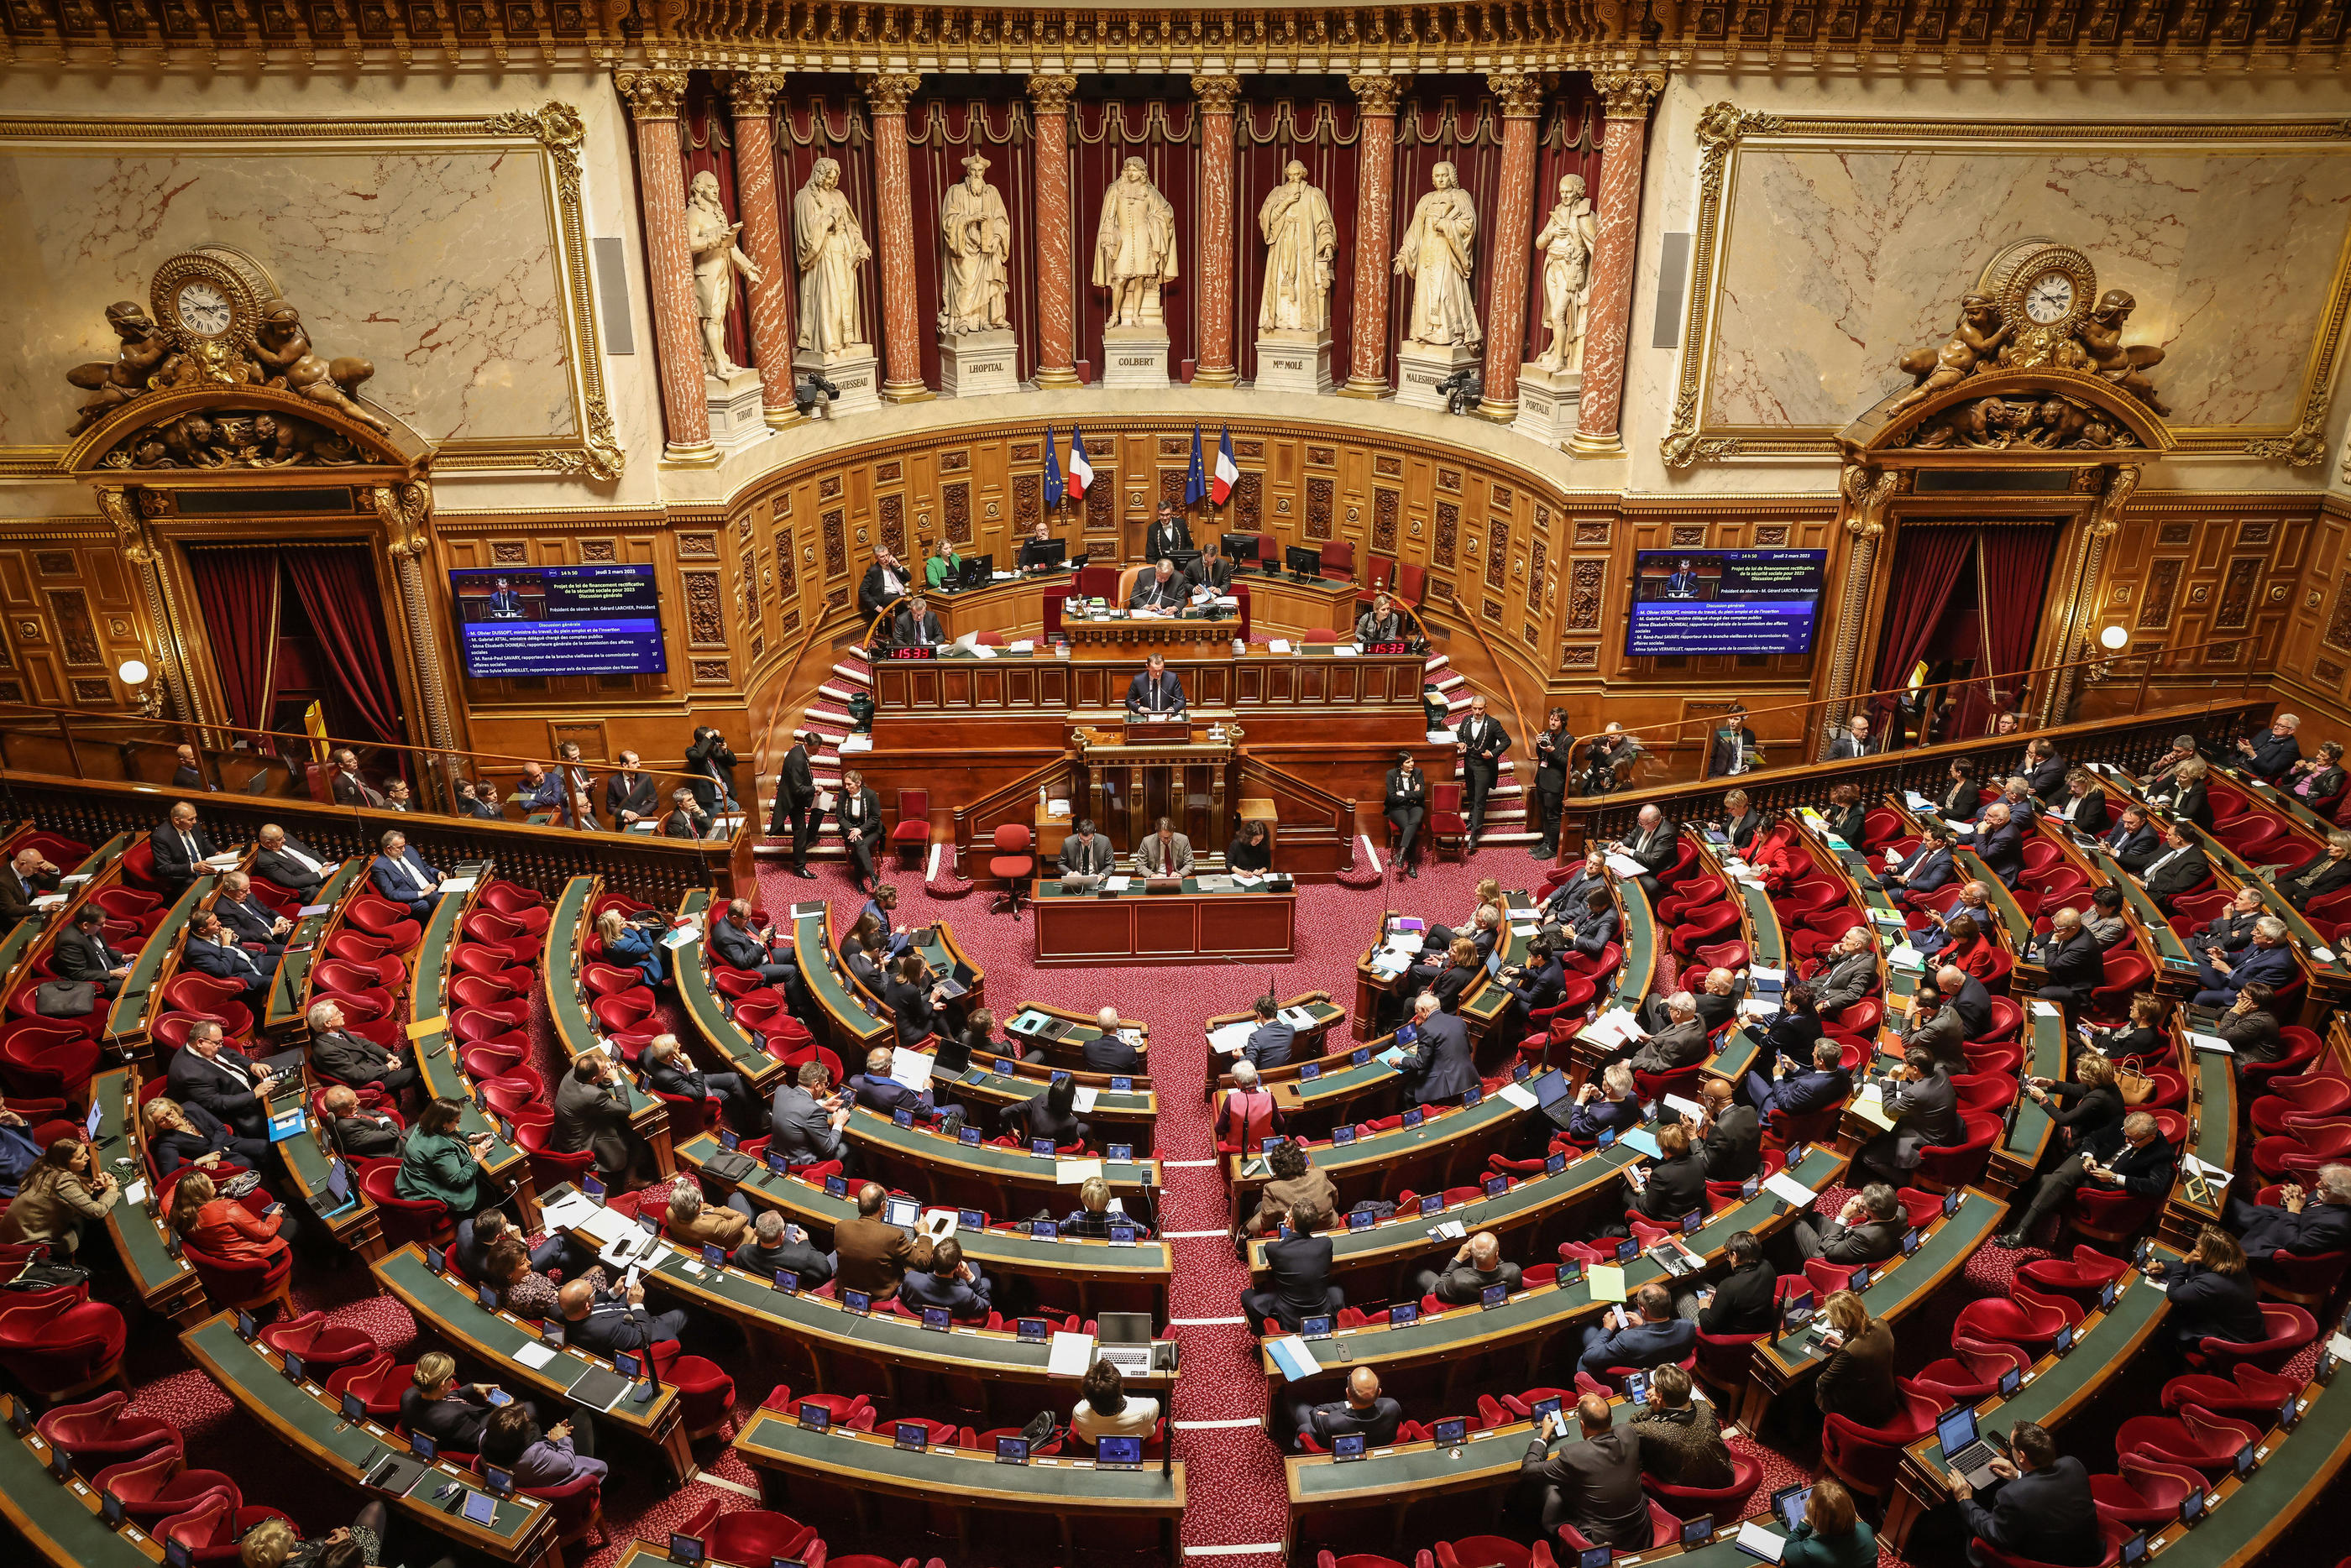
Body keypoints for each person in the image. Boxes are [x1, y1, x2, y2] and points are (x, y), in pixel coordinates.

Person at [1997, 1109, 2175, 1250]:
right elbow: (2093, 1139)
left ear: (2150, 1137)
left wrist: (2114, 1177)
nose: (2127, 1140)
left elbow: (2155, 1186)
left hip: (2107, 1186)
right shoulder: (2123, 1124)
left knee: (2046, 1182)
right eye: (2125, 1135)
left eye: (2132, 1139)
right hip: (2091, 1162)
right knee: (2058, 1179)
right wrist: (2089, 1157)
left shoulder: (2162, 1154)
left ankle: (2022, 1228)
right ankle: (2023, 1230)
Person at [1949, 1419, 2104, 1568]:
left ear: (2022, 1456)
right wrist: (2017, 1475)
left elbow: (1996, 1535)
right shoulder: (2073, 1464)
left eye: (2011, 1446)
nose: (2011, 1449)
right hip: (2090, 1552)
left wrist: (1965, 1501)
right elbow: (2045, 1490)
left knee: (1969, 1525)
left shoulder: (2012, 1495)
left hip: (2052, 1561)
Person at [1516, 1393, 1649, 1548]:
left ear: (1582, 1425)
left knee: (1550, 1489)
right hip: (1641, 1532)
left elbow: (1528, 1470)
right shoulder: (1628, 1434)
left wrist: (1544, 1436)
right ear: (1611, 1418)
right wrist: (1597, 1403)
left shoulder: (1574, 1455)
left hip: (1605, 1541)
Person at [1855, 1047, 1963, 1186]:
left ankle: (1906, 1182)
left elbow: (1889, 1109)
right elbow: (1919, 1086)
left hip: (1924, 1142)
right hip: (1941, 1128)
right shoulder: (1939, 1071)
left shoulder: (1916, 1094)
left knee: (1869, 1158)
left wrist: (1892, 1079)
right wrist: (1892, 1084)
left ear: (1916, 1069)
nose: (1903, 1067)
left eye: (1906, 1063)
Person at [167, 1020, 291, 1137]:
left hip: (251, 1086)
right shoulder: (188, 1075)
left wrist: (252, 1065)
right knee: (283, 1124)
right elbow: (218, 1103)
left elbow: (229, 1053)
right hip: (237, 1113)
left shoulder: (204, 1046)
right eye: (218, 1043)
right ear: (200, 1042)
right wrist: (255, 1094)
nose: (221, 1046)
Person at [1242, 1200, 1343, 1334]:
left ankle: (1264, 1334)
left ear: (1291, 1221)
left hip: (1289, 1318)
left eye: (1289, 1212)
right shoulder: (1325, 1244)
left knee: (1247, 1295)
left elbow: (1281, 1251)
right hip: (1321, 1311)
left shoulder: (1274, 1249)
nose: (1286, 1213)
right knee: (1337, 1290)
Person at [0, 1138, 118, 1253]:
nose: (87, 1157)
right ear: (65, 1162)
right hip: (33, 1243)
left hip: (11, 1234)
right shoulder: (62, 1181)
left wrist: (93, 1189)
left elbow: (63, 1196)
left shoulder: (44, 1166)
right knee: (98, 1226)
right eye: (80, 1157)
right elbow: (96, 1212)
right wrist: (112, 1189)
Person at [1630, 1363, 1734, 1487]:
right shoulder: (1704, 1407)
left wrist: (1654, 1409)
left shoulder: (1653, 1430)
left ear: (1661, 1396)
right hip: (1724, 1477)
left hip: (1685, 1488)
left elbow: (1631, 1424)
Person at [396, 1096, 503, 1213]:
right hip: (426, 1190)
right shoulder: (439, 1148)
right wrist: (476, 1159)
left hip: (412, 1180)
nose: (458, 1124)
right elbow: (458, 1179)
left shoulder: (425, 1124)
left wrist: (471, 1138)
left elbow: (447, 1134)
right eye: (457, 1121)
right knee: (492, 1193)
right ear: (443, 1123)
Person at [2227, 1163, 2351, 1259]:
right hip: (2271, 1218)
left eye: (2324, 1186)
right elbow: (2291, 1207)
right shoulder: (2327, 1194)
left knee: (2215, 1253)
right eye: (2320, 1180)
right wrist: (2289, 1199)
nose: (2317, 1185)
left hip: (2271, 1242)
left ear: (2343, 1195)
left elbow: (2295, 1245)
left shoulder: (2338, 1225)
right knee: (2225, 1201)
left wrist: (2294, 1210)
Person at [170, 1168, 296, 1262]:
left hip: (226, 1254)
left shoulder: (179, 1213)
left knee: (281, 1213)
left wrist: (178, 1186)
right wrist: (274, 1216)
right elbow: (264, 1233)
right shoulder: (225, 1207)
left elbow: (167, 1200)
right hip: (253, 1256)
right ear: (202, 1192)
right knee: (291, 1221)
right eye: (209, 1182)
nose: (213, 1182)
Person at [1813, 1290, 1899, 1427]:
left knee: (1813, 1389)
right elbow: (1867, 1350)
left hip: (1865, 1414)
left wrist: (1845, 1348)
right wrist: (1845, 1344)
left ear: (1841, 1321)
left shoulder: (1848, 1353)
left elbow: (1822, 1383)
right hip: (1887, 1398)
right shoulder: (1881, 1324)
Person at [554, 1053, 642, 1186]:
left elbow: (592, 1083)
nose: (607, 1070)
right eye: (603, 1070)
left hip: (564, 1135)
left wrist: (603, 1076)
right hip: (580, 1145)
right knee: (635, 1137)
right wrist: (615, 1078)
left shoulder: (573, 1073)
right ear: (594, 1078)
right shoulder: (592, 1096)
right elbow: (625, 1108)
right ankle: (630, 1180)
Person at [1575, 1282, 1694, 1380]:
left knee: (1585, 1324)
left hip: (1629, 1368)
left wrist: (1608, 1328)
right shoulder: (1688, 1327)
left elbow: (1588, 1357)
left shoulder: (1627, 1339)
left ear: (1643, 1309)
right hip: (1663, 1364)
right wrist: (1644, 1325)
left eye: (1637, 1301)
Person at [398, 1354, 513, 1454]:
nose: (454, 1378)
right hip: (481, 1432)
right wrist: (503, 1414)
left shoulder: (408, 1395)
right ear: (442, 1384)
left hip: (455, 1423)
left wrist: (472, 1387)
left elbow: (445, 1398)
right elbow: (485, 1440)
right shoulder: (452, 1418)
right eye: (452, 1376)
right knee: (528, 1407)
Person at [558, 1273, 688, 1361]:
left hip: (616, 1311)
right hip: (643, 1328)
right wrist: (636, 1305)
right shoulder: (605, 1330)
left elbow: (592, 1302)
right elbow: (643, 1337)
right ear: (587, 1305)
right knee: (682, 1313)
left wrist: (613, 1292)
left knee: (642, 1284)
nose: (595, 1294)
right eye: (593, 1293)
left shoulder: (563, 1308)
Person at [309, 999, 417, 1102]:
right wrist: (387, 1068)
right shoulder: (326, 1051)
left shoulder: (336, 1030)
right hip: (373, 1079)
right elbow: (358, 1075)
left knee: (414, 1051)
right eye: (337, 1013)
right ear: (327, 1024)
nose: (342, 1014)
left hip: (376, 1063)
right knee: (418, 1071)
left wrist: (388, 1055)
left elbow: (362, 1043)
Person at [644, 1034, 757, 1132]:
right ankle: (747, 1125)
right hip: (696, 1091)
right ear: (669, 1057)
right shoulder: (671, 1079)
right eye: (676, 1046)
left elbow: (641, 1058)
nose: (679, 1044)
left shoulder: (648, 1052)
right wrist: (690, 1066)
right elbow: (700, 1094)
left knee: (733, 1077)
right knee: (728, 1094)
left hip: (692, 1079)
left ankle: (757, 1114)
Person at [481, 1403, 605, 1489]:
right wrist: (561, 1439)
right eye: (526, 1421)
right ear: (523, 1434)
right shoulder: (533, 1454)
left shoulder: (484, 1436)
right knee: (600, 1466)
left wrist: (550, 1438)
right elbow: (568, 1464)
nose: (528, 1418)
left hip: (517, 1477)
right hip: (541, 1483)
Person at [143, 1094, 270, 1176]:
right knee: (246, 1163)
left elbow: (220, 1128)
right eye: (162, 1120)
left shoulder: (190, 1107)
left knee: (265, 1146)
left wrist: (216, 1151)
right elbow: (171, 1175)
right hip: (211, 1162)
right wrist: (198, 1162)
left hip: (225, 1143)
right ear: (157, 1126)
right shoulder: (165, 1143)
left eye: (169, 1113)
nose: (169, 1119)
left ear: (173, 1108)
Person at [2024, 1051, 2123, 1152]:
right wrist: (2048, 1082)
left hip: (2088, 1137)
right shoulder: (2103, 1081)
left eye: (2080, 1071)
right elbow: (2075, 1089)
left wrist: (2042, 1099)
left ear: (2090, 1078)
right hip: (2091, 1124)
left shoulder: (2097, 1099)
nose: (2077, 1072)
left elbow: (2063, 1120)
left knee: (2042, 1128)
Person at [2191, 915, 2296, 1009]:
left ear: (2270, 940)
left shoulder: (2281, 964)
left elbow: (2255, 990)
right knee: (2191, 968)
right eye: (2255, 928)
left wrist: (2227, 971)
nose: (2252, 932)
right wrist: (2223, 955)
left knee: (2202, 997)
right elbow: (2243, 957)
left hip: (2242, 994)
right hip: (2229, 979)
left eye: (2258, 932)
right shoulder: (2261, 942)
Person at [833, 1182, 914, 1300]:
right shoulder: (893, 1235)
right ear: (882, 1206)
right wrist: (924, 1234)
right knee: (912, 1269)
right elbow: (923, 1261)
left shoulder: (841, 1227)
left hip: (846, 1295)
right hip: (879, 1299)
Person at [769, 1060, 854, 1173]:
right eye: (825, 1084)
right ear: (817, 1085)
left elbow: (798, 1106)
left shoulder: (781, 1090)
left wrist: (822, 1104)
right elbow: (829, 1149)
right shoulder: (815, 1112)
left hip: (778, 1152)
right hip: (798, 1163)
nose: (826, 1087)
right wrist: (838, 1124)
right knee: (847, 1148)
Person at [1293, 1366, 1401, 1451]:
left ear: (1348, 1393)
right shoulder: (1393, 1407)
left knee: (1296, 1405)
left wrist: (1332, 1413)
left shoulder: (1333, 1422)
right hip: (1375, 1441)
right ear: (1379, 1393)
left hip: (1335, 1446)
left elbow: (1315, 1412)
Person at [1748, 1037, 1854, 1124]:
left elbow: (1784, 1104)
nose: (1812, 1054)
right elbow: (1817, 1078)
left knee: (1751, 1074)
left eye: (1815, 1053)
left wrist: (1778, 1077)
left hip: (1778, 1106)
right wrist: (1795, 1068)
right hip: (1803, 1099)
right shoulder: (1843, 1071)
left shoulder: (1808, 1087)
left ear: (1821, 1062)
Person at [1793, 1182, 1905, 1265]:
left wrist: (1844, 1217)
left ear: (1870, 1211)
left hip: (1826, 1255)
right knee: (1816, 1217)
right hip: (1849, 1238)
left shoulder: (1865, 1237)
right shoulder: (1900, 1211)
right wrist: (1865, 1202)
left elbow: (1830, 1252)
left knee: (1796, 1221)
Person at [182, 909, 279, 1004]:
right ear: (202, 930)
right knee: (273, 981)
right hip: (241, 975)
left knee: (283, 961)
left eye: (217, 920)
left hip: (253, 961)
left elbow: (238, 945)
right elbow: (223, 971)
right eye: (214, 923)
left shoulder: (210, 931)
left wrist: (233, 939)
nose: (219, 923)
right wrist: (226, 945)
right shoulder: (196, 951)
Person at [1396, 992, 1477, 1104]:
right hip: (1467, 1077)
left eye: (1417, 1013)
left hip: (1445, 1085)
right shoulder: (1459, 1021)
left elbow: (1420, 1063)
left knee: (1408, 1093)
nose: (1417, 1016)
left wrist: (1401, 1060)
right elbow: (1470, 1049)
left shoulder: (1426, 1030)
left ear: (1424, 1010)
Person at [708, 898, 799, 995]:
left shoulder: (742, 919)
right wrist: (760, 943)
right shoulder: (725, 936)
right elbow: (743, 962)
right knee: (792, 971)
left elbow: (754, 937)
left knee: (795, 952)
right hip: (755, 968)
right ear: (734, 918)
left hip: (763, 954)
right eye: (747, 918)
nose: (750, 920)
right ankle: (798, 1007)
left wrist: (768, 937)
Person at [1779, 1477, 1875, 1568]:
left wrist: (1805, 1523)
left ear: (1818, 1520)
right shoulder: (1866, 1530)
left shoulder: (1811, 1550)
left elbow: (1787, 1551)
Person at [1694, 1231, 1778, 1335]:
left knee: (1681, 1295)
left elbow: (1708, 1327)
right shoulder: (1767, 1268)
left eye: (1728, 1255)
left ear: (1734, 1256)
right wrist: (1722, 1298)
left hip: (1730, 1336)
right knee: (1698, 1283)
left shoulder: (1728, 1286)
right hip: (1763, 1327)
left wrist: (1704, 1307)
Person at [1245, 1137, 1334, 1236]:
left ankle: (1243, 1239)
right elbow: (1335, 1199)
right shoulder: (1319, 1174)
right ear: (1302, 1160)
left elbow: (1267, 1225)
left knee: (1259, 1208)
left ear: (1275, 1168)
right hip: (1327, 1225)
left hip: (1293, 1232)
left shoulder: (1272, 1189)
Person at [1454, 694, 1511, 845]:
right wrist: (1461, 742)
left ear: (1485, 708)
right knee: (1472, 794)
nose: (1477, 712)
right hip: (1469, 763)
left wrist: (1492, 753)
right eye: (1475, 708)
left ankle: (1475, 833)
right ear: (1471, 707)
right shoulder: (1467, 720)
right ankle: (1472, 820)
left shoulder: (1493, 723)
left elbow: (1507, 741)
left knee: (1480, 799)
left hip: (1484, 766)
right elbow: (1460, 733)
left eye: (1480, 708)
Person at [1414, 1229, 1523, 1305]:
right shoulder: (1514, 1272)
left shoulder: (1458, 1280)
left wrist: (1458, 1259)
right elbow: (1500, 1264)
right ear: (1497, 1254)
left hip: (1462, 1299)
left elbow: (1435, 1290)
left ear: (1472, 1254)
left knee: (1422, 1274)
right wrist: (1487, 1252)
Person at [766, 730, 821, 879]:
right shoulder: (797, 759)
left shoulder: (800, 751)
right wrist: (814, 789)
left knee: (823, 804)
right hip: (793, 800)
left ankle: (810, 837)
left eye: (818, 749)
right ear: (806, 744)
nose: (817, 752)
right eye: (815, 749)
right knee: (799, 832)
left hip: (802, 794)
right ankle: (799, 867)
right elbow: (797, 789)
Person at [1630, 1120, 1708, 1224]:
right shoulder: (1698, 1161)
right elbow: (1680, 1179)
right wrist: (1655, 1180)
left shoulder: (1661, 1174)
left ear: (1664, 1150)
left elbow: (1649, 1210)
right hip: (1698, 1212)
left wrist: (1642, 1192)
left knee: (1628, 1197)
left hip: (1675, 1221)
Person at [2032, 908, 2106, 1019]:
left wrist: (2054, 941)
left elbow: (2051, 965)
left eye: (2058, 929)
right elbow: (2047, 936)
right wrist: (2035, 943)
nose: (2055, 930)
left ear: (2073, 928)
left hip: (2076, 990)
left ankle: (2044, 1021)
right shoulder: (2071, 930)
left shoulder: (2083, 946)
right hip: (2065, 976)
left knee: (2044, 992)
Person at [899, 1236, 992, 1319]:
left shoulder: (911, 1279)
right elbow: (986, 1304)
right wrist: (969, 1277)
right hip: (959, 1304)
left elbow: (901, 1294)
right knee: (978, 1272)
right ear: (958, 1265)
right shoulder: (966, 1295)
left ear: (932, 1257)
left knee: (977, 1271)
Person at [1074, 1356, 1161, 1445]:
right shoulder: (1146, 1409)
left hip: (1094, 1444)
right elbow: (1154, 1405)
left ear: (1085, 1396)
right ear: (1121, 1386)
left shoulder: (1078, 1412)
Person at [51, 905, 132, 999]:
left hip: (108, 968)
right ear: (85, 925)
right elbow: (79, 974)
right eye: (101, 924)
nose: (104, 926)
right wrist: (112, 973)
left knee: (139, 967)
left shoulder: (91, 926)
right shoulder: (70, 941)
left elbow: (104, 949)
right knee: (133, 983)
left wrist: (123, 957)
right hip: (97, 981)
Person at [735, 1210, 834, 1284]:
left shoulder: (743, 1253)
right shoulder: (805, 1257)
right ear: (782, 1235)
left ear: (755, 1232)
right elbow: (825, 1270)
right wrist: (805, 1243)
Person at [1694, 1078, 1761, 1182]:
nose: (1703, 1099)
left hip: (1730, 1179)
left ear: (1711, 1101)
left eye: (1704, 1097)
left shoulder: (1720, 1130)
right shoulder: (1750, 1110)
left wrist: (1692, 1136)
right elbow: (1734, 1133)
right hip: (1752, 1168)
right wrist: (1713, 1124)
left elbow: (1704, 1166)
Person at [1628, 992, 1710, 1075]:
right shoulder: (1698, 1017)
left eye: (1670, 1008)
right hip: (1661, 1046)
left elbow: (1659, 1066)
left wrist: (1630, 1063)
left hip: (1647, 1059)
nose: (1668, 1010)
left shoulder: (1676, 1042)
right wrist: (1652, 1038)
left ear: (1678, 1013)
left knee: (1621, 1051)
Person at [212, 871, 291, 956]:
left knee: (303, 931)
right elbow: (242, 935)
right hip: (263, 942)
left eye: (248, 888)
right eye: (245, 890)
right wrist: (272, 932)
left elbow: (265, 909)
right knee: (290, 951)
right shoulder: (222, 910)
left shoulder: (246, 895)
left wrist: (280, 919)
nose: (249, 892)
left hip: (276, 929)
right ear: (231, 890)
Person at [148, 801, 218, 896]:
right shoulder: (161, 837)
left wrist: (216, 853)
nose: (195, 822)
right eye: (191, 819)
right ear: (177, 820)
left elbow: (203, 842)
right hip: (184, 879)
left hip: (205, 869)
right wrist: (193, 867)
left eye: (195, 817)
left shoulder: (193, 825)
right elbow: (164, 868)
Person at [369, 829, 442, 920]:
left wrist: (438, 872)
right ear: (388, 848)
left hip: (432, 886)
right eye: (400, 847)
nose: (404, 849)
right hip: (414, 898)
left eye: (404, 845)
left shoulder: (409, 850)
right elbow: (392, 894)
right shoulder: (379, 866)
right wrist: (422, 893)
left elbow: (425, 867)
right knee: (434, 902)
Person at [1003, 1073, 1091, 1147]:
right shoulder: (1071, 1121)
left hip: (1030, 1145)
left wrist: (1010, 1129)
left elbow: (1004, 1112)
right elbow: (1074, 1140)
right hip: (1052, 1150)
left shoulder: (1039, 1099)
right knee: (1086, 1128)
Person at [1214, 1059, 1282, 1153]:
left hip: (1236, 1148)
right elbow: (1280, 1124)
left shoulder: (1231, 1099)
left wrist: (1233, 1126)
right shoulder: (1269, 1098)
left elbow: (1219, 1129)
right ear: (1256, 1079)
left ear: (1237, 1083)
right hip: (1264, 1146)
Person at [1810, 927, 1880, 1018]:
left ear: (1858, 945)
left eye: (1847, 938)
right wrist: (1833, 955)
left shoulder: (1865, 966)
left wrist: (1824, 1005)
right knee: (1792, 986)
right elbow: (1835, 971)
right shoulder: (1854, 951)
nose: (1842, 940)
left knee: (1795, 1001)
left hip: (1825, 997)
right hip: (1819, 985)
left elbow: (1853, 994)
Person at [1615, 804, 1678, 902]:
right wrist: (1620, 844)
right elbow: (1632, 837)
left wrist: (1630, 852)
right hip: (1635, 862)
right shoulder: (1643, 821)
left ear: (1655, 822)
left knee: (1649, 885)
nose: (1639, 824)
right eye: (1639, 821)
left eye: (1642, 823)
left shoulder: (1667, 834)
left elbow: (1652, 859)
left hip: (1651, 871)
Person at [2274, 829, 2351, 911]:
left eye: (2335, 845)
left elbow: (2325, 891)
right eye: (2331, 843)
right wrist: (2275, 882)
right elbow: (2302, 870)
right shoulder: (2325, 853)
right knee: (2277, 894)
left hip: (2309, 894)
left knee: (2289, 907)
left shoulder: (2346, 869)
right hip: (2296, 883)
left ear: (2346, 850)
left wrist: (2299, 896)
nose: (2329, 847)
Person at [1568, 1062, 1644, 1144]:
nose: (1603, 1077)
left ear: (1609, 1089)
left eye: (1605, 1079)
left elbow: (1574, 1131)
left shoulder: (1597, 1116)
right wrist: (1598, 1095)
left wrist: (1579, 1101)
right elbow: (1610, 1104)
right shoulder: (1633, 1096)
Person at [664, 1182, 752, 1252]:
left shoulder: (671, 1212)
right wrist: (715, 1210)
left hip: (714, 1235)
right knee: (737, 1196)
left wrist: (708, 1208)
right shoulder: (714, 1227)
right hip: (743, 1238)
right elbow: (743, 1218)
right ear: (697, 1208)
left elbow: (703, 1206)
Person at [835, 768, 884, 892]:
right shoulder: (842, 795)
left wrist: (860, 830)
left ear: (858, 783)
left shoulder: (870, 795)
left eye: (849, 784)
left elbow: (876, 817)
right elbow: (840, 817)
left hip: (870, 829)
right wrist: (853, 829)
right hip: (850, 828)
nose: (846, 787)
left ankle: (859, 880)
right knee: (859, 843)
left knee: (860, 846)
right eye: (845, 784)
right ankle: (872, 876)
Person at [1762, 981, 1826, 1071]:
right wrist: (1763, 1018)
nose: (1784, 1001)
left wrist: (1748, 1027)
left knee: (1757, 1063)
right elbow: (1784, 1013)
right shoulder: (1808, 1008)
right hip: (1806, 1053)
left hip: (1795, 1064)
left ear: (1795, 1006)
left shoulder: (1790, 1024)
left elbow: (1767, 1042)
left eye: (1786, 1000)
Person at [251, 823, 331, 894]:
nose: (284, 840)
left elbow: (308, 851)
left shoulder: (285, 837)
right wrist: (320, 874)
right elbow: (292, 881)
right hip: (313, 886)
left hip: (326, 871)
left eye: (283, 836)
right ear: (269, 843)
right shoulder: (266, 861)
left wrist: (324, 862)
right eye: (279, 839)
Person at [1891, 824, 1958, 905]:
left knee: (1886, 896)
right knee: (1879, 879)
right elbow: (1908, 861)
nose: (1923, 842)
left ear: (1938, 842)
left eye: (1927, 840)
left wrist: (1907, 881)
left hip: (1911, 889)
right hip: (1899, 878)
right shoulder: (1924, 846)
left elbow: (1931, 884)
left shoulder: (1945, 861)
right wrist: (1895, 868)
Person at [0, 846, 60, 933]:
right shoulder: (3, 881)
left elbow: (50, 886)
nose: (36, 872)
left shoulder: (28, 870)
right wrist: (41, 908)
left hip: (31, 916)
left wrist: (54, 870)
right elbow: (11, 909)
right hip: (13, 925)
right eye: (35, 868)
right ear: (22, 864)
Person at [683, 726, 740, 814]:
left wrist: (725, 750)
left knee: (738, 820)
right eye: (709, 742)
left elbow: (733, 762)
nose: (713, 744)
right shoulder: (691, 751)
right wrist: (707, 738)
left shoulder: (714, 749)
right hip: (711, 801)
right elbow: (699, 756)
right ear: (700, 742)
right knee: (716, 825)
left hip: (726, 797)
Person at [2236, 713, 2302, 781]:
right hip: (2238, 763)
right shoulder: (2267, 732)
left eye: (2281, 726)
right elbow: (2248, 747)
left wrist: (2251, 753)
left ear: (2291, 731)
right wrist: (2242, 746)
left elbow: (2269, 770)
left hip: (2254, 774)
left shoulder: (2290, 748)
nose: (2275, 727)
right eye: (2276, 724)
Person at [1705, 702, 1763, 781]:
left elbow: (1750, 757)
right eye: (1730, 718)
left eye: (1736, 719)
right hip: (1722, 776)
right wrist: (1712, 777)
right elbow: (1711, 757)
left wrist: (1747, 765)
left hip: (1741, 775)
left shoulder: (1749, 734)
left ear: (1742, 720)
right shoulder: (1720, 733)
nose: (1732, 722)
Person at [1974, 802, 2024, 888]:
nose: (1985, 818)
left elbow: (1984, 855)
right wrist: (1955, 840)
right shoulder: (1995, 824)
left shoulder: (2007, 836)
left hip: (2002, 873)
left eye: (1989, 816)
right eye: (1986, 814)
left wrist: (1981, 832)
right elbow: (1972, 836)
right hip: (1991, 862)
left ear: (2000, 821)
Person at [856, 545, 911, 624]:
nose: (886, 558)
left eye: (887, 555)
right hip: (885, 597)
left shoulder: (894, 563)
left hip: (901, 594)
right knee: (903, 603)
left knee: (916, 603)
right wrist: (876, 606)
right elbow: (862, 591)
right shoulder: (873, 571)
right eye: (882, 557)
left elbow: (908, 578)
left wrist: (898, 566)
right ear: (876, 558)